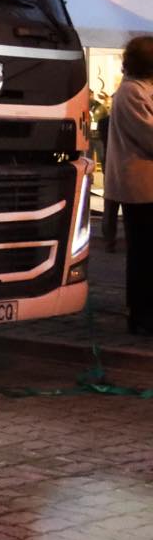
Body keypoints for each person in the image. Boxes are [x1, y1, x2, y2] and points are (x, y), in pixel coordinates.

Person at [103, 36, 153, 335]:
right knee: (144, 255)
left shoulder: (143, 89)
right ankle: (142, 315)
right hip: (141, 188)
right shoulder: (132, 93)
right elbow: (149, 136)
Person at [92, 91, 121, 249]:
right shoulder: (127, 121)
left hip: (110, 166)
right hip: (122, 167)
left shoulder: (104, 122)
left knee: (110, 207)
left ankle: (109, 240)